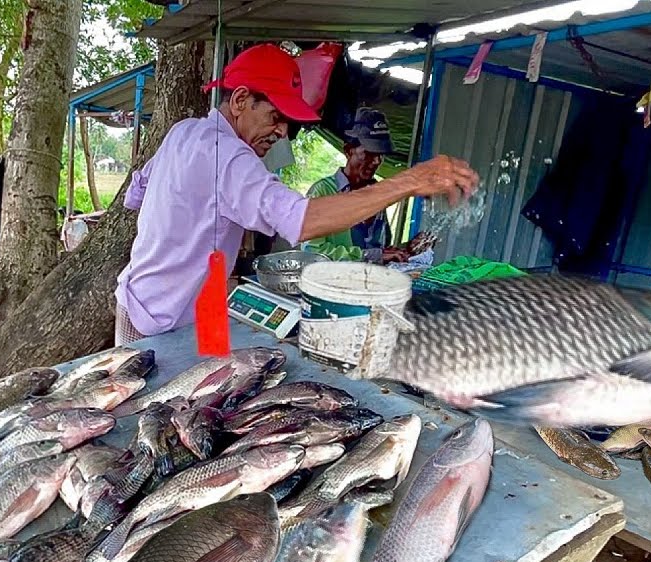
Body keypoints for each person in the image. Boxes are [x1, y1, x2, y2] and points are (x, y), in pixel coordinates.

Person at [114, 44, 479, 344]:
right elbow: (301, 221)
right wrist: (409, 181)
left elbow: (136, 193)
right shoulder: (230, 156)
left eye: (287, 123)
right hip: (160, 321)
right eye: (275, 117)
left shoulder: (184, 131)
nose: (282, 134)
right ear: (240, 100)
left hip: (146, 301)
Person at [304, 107, 394, 263]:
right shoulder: (322, 193)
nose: (377, 161)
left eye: (381, 154)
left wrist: (404, 250)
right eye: (370, 153)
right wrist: (367, 255)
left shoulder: (377, 193)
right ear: (348, 150)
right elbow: (313, 252)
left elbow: (382, 247)